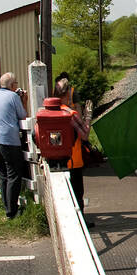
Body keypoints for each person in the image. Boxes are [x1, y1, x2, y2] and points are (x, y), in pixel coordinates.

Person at [0, 72, 29, 219]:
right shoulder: (13, 96)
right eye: (16, 84)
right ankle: (13, 211)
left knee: (3, 176)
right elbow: (22, 115)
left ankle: (8, 209)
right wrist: (23, 100)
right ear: (12, 85)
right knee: (14, 175)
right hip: (8, 140)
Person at [55, 78, 90, 208]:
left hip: (57, 161)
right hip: (73, 160)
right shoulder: (70, 114)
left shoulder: (52, 110)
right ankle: (81, 221)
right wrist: (88, 116)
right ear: (68, 93)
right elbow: (85, 135)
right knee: (77, 195)